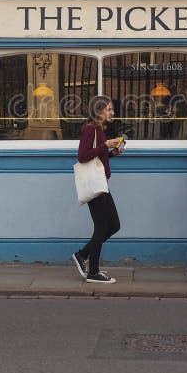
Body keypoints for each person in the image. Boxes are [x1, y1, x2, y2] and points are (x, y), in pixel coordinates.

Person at [71, 95, 123, 284]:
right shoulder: (90, 129)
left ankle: (82, 254)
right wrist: (105, 145)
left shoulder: (99, 129)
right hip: (95, 184)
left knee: (113, 225)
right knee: (102, 227)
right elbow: (83, 156)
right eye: (109, 109)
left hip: (101, 182)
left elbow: (99, 157)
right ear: (99, 110)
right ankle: (93, 271)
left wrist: (113, 152)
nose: (112, 112)